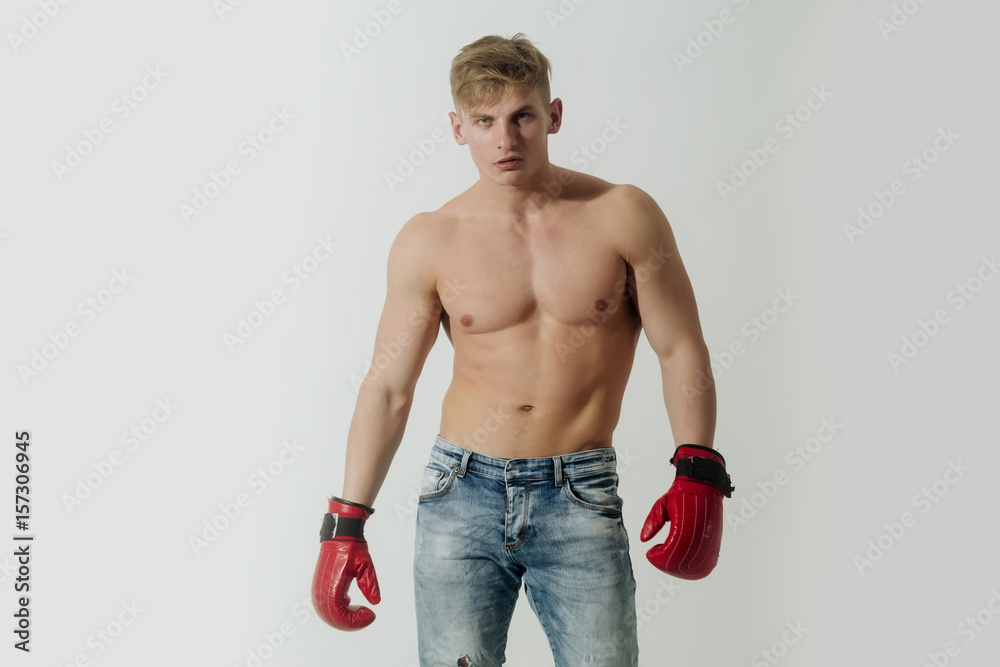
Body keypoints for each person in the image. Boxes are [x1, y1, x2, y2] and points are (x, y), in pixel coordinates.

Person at [311, 33, 734, 667]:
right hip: (460, 493)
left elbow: (680, 350)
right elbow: (389, 386)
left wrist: (697, 467)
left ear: (553, 116)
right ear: (458, 128)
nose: (505, 140)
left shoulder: (624, 214)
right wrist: (345, 520)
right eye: (484, 122)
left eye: (522, 117)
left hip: (579, 491)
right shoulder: (430, 239)